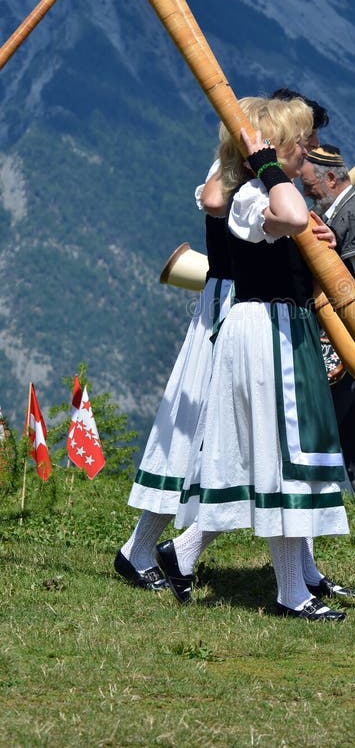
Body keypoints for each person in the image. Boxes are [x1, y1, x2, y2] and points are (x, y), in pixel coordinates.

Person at [157, 96, 354, 620]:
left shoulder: (271, 191)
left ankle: (181, 554)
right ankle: (291, 593)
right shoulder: (251, 195)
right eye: (299, 145)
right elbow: (286, 214)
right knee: (277, 453)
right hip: (261, 324)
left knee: (263, 454)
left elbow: (294, 230)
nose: (306, 154)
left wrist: (321, 241)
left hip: (279, 324)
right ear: (275, 149)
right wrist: (266, 165)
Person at [114, 165, 234, 590]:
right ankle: (144, 549)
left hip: (244, 309)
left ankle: (304, 575)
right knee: (198, 437)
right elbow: (214, 200)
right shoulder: (243, 171)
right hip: (231, 311)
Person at [300, 143, 355, 507]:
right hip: (347, 330)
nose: (306, 191)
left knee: (324, 414)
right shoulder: (339, 210)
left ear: (331, 177)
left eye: (309, 184)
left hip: (346, 330)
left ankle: (311, 493)